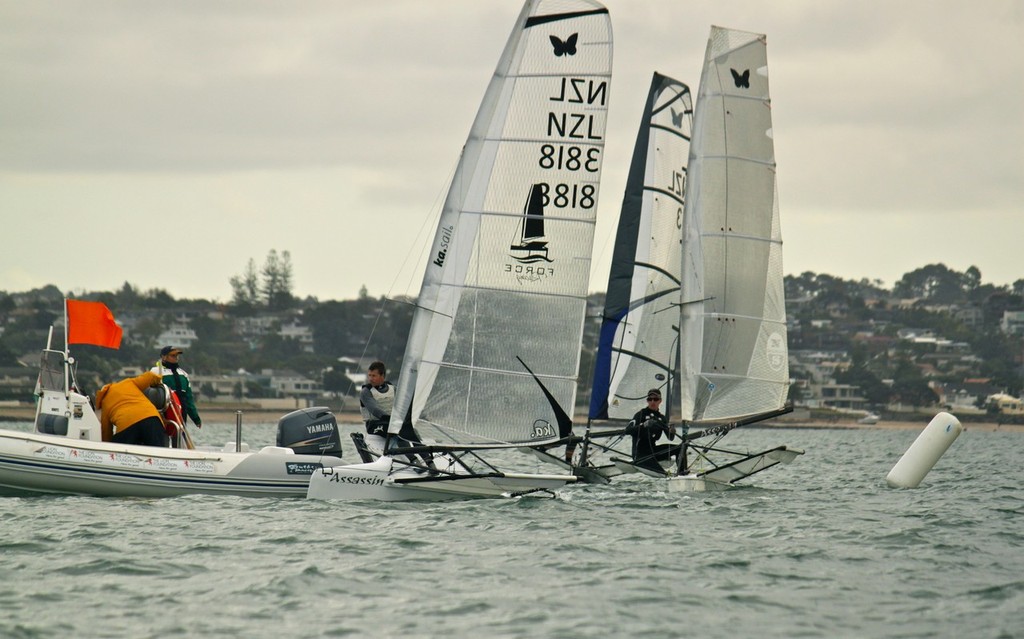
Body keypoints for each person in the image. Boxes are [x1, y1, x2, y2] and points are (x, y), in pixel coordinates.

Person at [95, 371, 169, 447]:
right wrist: (157, 381)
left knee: (120, 454)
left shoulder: (104, 404)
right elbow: (151, 376)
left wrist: (107, 447)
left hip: (127, 426)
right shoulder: (127, 383)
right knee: (158, 452)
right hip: (151, 418)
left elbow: (106, 433)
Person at [624, 388, 680, 474]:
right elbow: (627, 431)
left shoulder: (662, 418)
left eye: (655, 399)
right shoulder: (641, 414)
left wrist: (672, 431)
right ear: (647, 401)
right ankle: (665, 473)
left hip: (653, 451)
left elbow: (670, 438)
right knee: (663, 473)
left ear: (660, 401)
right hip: (640, 454)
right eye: (650, 399)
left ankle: (683, 473)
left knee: (680, 448)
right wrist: (643, 425)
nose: (652, 402)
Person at [152, 346, 202, 428]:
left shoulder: (184, 374)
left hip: (181, 412)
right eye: (173, 356)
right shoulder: (155, 372)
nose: (176, 358)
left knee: (179, 436)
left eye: (177, 356)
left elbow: (189, 399)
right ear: (164, 357)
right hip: (163, 411)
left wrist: (196, 418)